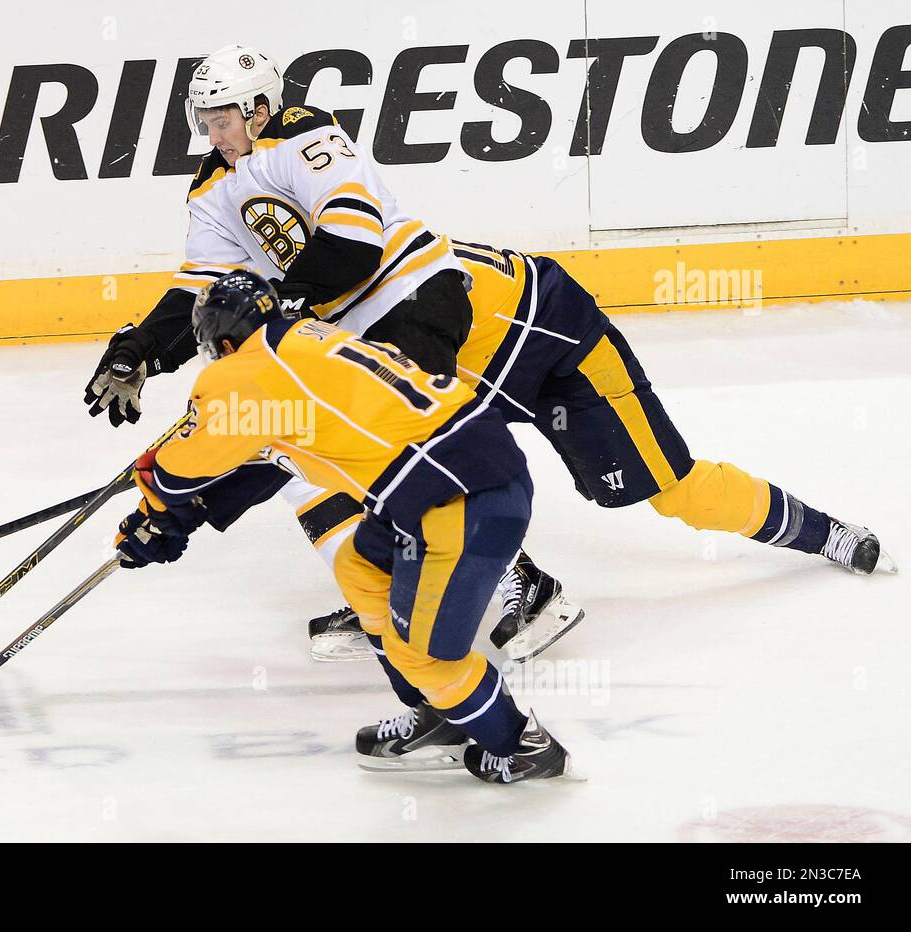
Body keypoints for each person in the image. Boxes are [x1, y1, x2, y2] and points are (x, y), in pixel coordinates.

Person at [85, 44, 896, 664]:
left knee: (666, 491)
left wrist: (193, 487)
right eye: (205, 119)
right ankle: (463, 588)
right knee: (345, 450)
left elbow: (353, 245)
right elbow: (204, 292)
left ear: (262, 106)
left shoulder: (311, 142)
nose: (211, 131)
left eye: (222, 114)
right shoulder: (210, 190)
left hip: (530, 328)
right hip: (421, 342)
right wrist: (138, 353)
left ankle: (820, 531)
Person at [113, 269, 574, 781]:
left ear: (223, 340)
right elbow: (263, 463)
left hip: (460, 498)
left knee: (426, 658)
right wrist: (177, 519)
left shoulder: (241, 373)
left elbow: (179, 473)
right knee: (361, 566)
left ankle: (521, 746)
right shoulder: (310, 341)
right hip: (456, 474)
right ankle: (437, 712)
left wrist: (155, 504)